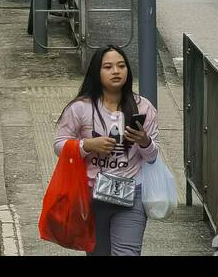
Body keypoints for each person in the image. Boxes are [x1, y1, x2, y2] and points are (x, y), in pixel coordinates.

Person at [53, 44, 159, 257]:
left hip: (132, 195)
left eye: (121, 66)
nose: (116, 71)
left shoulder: (143, 107)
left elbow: (152, 157)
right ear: (97, 72)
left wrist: (144, 141)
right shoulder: (80, 108)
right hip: (92, 195)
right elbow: (59, 145)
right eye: (108, 67)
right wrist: (87, 145)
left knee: (127, 253)